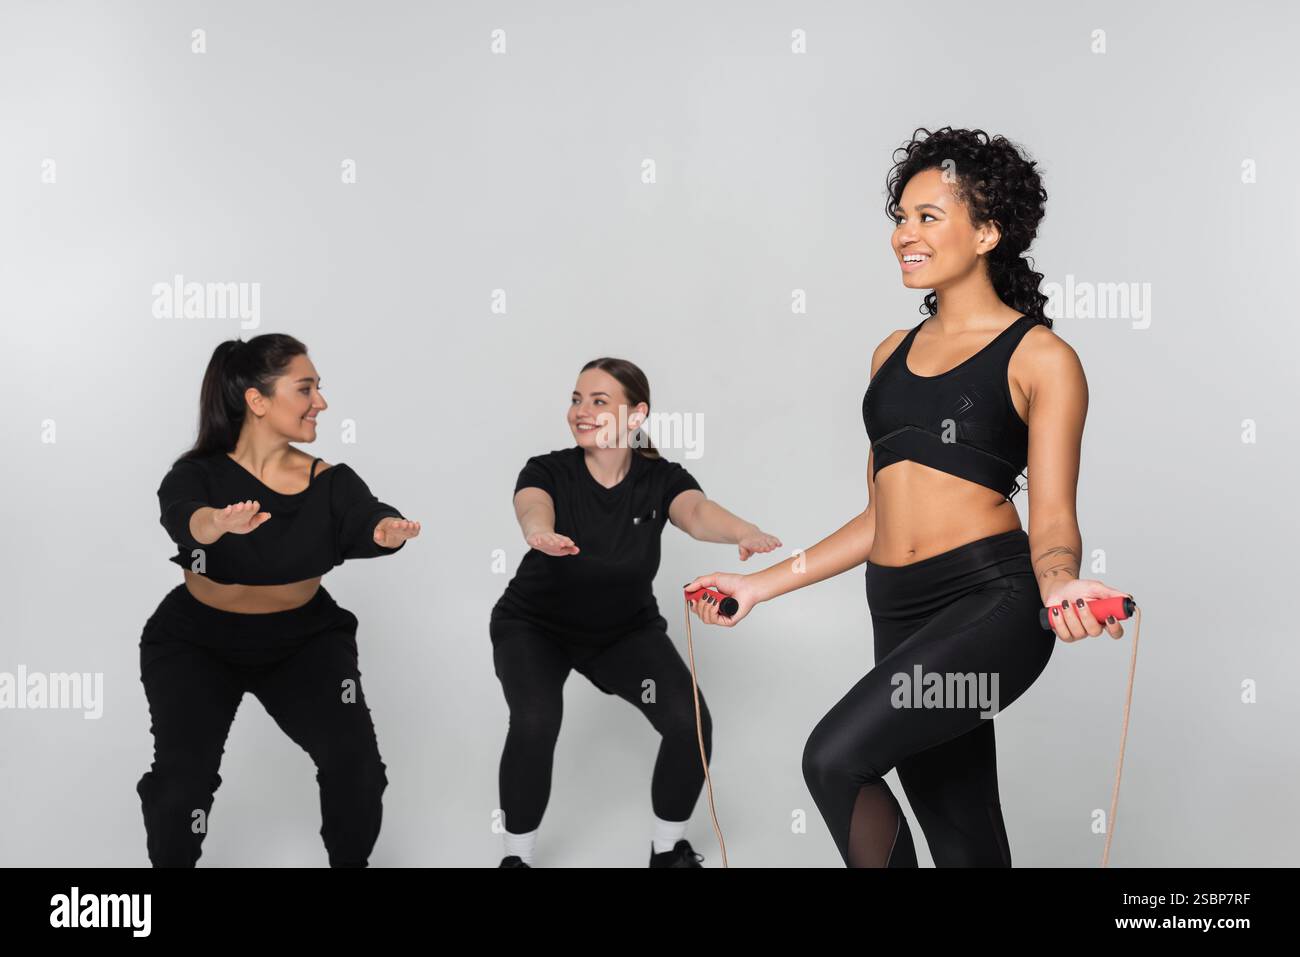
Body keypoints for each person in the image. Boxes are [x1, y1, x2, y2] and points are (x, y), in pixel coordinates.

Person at [683, 127, 1132, 867]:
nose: (904, 234)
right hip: (895, 603)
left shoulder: (1041, 357)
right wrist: (757, 585)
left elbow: (1052, 518)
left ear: (988, 232)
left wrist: (1058, 585)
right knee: (962, 836)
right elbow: (878, 517)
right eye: (901, 216)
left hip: (991, 605)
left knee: (834, 758)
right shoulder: (889, 353)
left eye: (929, 216)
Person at [139, 333, 420, 866]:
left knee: (356, 767)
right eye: (306, 388)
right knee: (183, 786)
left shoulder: (331, 481)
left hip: (303, 642)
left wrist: (385, 530)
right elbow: (184, 516)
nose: (321, 402)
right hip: (196, 640)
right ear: (257, 401)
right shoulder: (197, 472)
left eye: (319, 389)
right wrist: (215, 525)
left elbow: (367, 515)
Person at [491, 357, 781, 867]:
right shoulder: (548, 470)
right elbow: (532, 505)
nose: (581, 411)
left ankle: (666, 852)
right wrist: (537, 531)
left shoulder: (660, 479)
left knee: (690, 723)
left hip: (623, 631)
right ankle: (517, 858)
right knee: (536, 720)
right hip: (534, 627)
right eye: (576, 399)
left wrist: (742, 531)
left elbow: (695, 512)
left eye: (599, 401)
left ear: (636, 414)